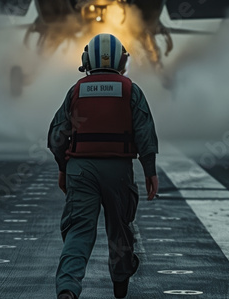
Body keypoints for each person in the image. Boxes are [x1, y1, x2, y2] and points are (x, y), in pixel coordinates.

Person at [47, 33, 159, 299]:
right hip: (118, 172)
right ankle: (120, 283)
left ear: (86, 60)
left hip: (81, 170)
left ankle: (68, 288)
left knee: (78, 232)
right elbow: (145, 133)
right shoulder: (131, 89)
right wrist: (150, 171)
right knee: (120, 230)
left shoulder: (76, 90)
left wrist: (63, 168)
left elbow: (56, 137)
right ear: (122, 60)